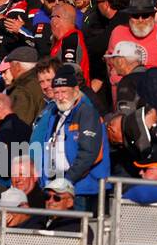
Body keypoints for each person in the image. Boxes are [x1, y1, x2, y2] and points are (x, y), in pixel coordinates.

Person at [29, 64, 110, 211]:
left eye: (64, 92)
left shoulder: (86, 113)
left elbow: (90, 154)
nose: (60, 96)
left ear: (76, 90)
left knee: (82, 230)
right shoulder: (56, 113)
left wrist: (67, 180)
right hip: (58, 187)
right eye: (57, 92)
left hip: (83, 189)